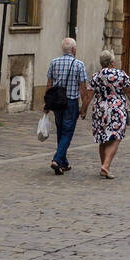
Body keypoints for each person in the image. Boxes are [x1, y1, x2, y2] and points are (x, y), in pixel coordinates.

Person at [82, 49, 130, 179]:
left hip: (100, 110)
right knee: (116, 136)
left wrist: (83, 110)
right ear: (112, 62)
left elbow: (88, 96)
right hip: (116, 109)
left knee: (102, 138)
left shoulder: (96, 76)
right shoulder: (120, 75)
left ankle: (104, 168)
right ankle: (106, 166)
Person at [46, 37, 88, 175]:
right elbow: (83, 88)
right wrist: (84, 108)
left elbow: (49, 85)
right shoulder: (79, 64)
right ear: (74, 50)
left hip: (57, 102)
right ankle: (57, 160)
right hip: (70, 102)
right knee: (67, 132)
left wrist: (47, 104)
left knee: (60, 131)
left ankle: (63, 163)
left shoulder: (54, 62)